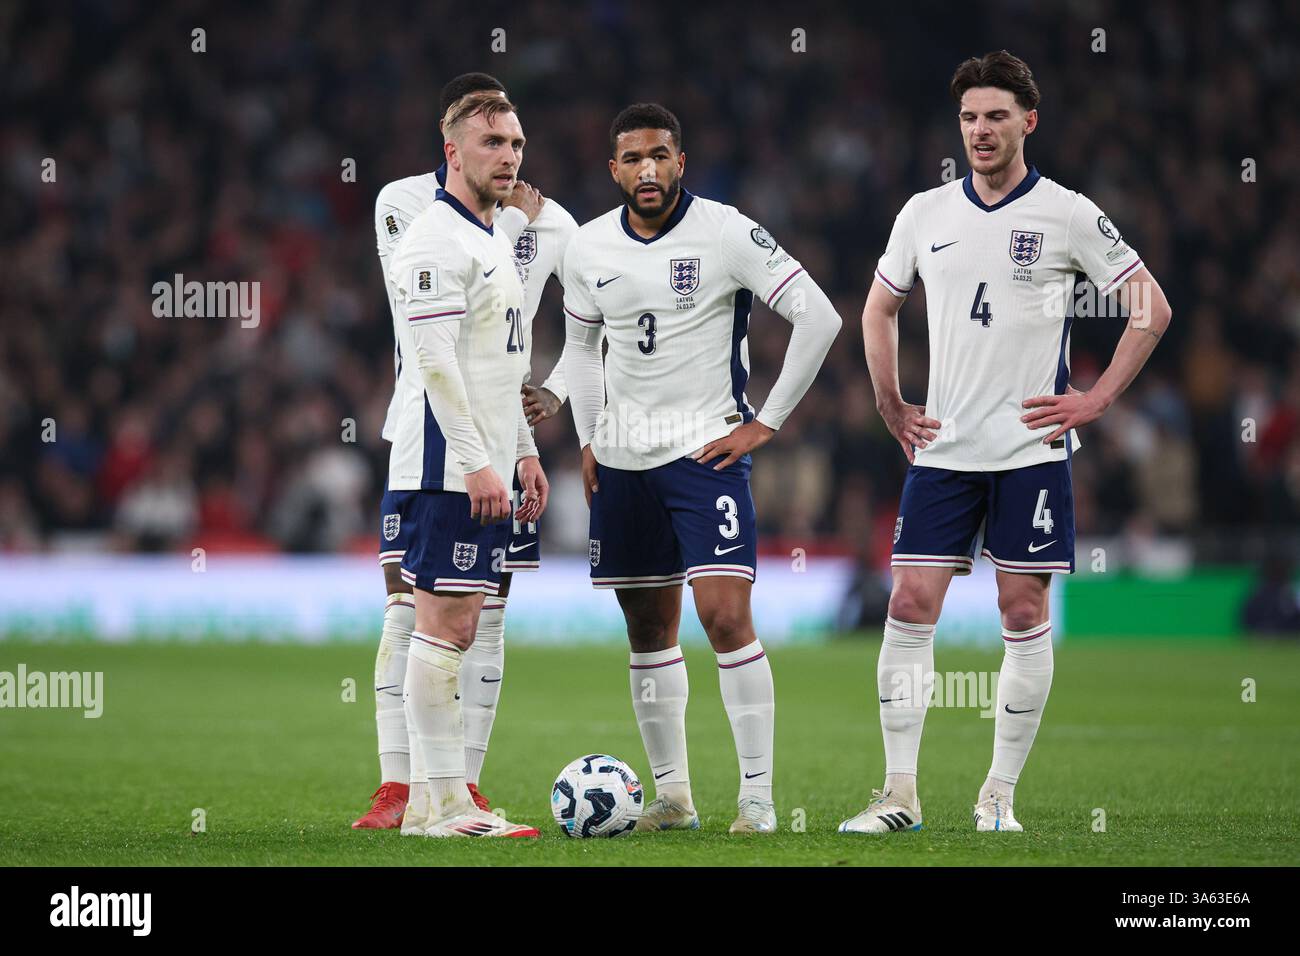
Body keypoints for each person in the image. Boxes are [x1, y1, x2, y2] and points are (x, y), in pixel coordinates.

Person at [846, 51, 1172, 834]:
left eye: (996, 116)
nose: (980, 131)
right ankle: (899, 795)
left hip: (1029, 450)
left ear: (1030, 120)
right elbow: (877, 310)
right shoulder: (925, 214)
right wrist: (891, 403)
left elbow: (1150, 308)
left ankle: (998, 796)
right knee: (911, 601)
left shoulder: (1066, 212)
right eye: (968, 118)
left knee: (1020, 608)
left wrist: (1093, 401)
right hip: (946, 447)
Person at [562, 104, 842, 834]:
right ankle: (674, 798)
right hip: (622, 465)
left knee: (723, 616)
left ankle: (757, 799)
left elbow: (819, 316)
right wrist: (589, 439)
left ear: (681, 162)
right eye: (633, 158)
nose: (647, 169)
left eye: (660, 155)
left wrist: (767, 422)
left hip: (704, 454)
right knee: (649, 629)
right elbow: (582, 353)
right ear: (614, 169)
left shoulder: (726, 232)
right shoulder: (588, 248)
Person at [354, 74, 577, 830]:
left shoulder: (488, 238)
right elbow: (436, 361)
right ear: (452, 150)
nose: (509, 155)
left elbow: (501, 367)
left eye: (516, 142)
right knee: (440, 624)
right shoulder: (433, 238)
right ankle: (438, 801)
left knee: (460, 623)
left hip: (482, 457)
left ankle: (437, 801)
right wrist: (478, 461)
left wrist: (523, 449)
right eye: (492, 141)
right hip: (443, 464)